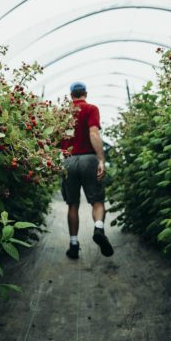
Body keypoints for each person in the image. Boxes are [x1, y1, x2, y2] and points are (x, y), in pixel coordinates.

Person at [60, 82, 114, 259]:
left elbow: (54, 139)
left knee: (72, 204)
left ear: (71, 95)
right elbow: (93, 133)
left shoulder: (62, 113)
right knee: (97, 201)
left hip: (68, 160)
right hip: (89, 159)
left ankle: (73, 244)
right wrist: (101, 159)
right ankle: (98, 228)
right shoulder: (91, 109)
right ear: (85, 93)